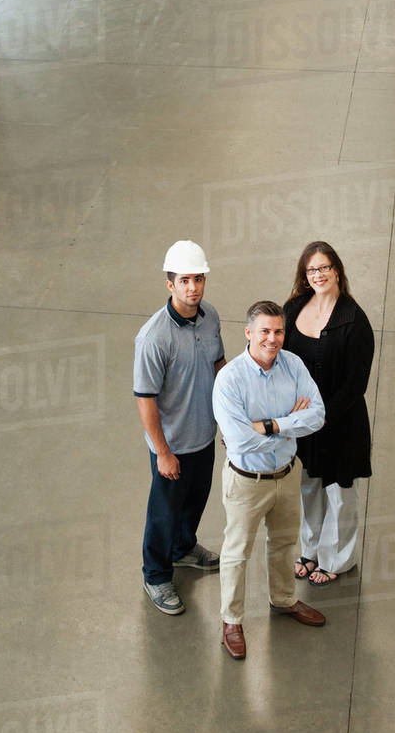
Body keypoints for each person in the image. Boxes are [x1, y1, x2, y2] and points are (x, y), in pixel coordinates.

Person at [212, 300, 327, 659]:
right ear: (248, 333)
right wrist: (290, 424)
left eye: (278, 331)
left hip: (287, 474)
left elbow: (318, 415)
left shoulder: (293, 365)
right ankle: (232, 621)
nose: (272, 339)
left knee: (283, 542)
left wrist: (270, 424)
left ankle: (283, 599)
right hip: (247, 481)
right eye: (264, 331)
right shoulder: (229, 380)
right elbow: (239, 441)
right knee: (237, 552)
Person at [134, 240, 226, 615]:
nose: (194, 288)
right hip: (172, 444)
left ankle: (184, 548)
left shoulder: (211, 316)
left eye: (199, 279)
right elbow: (146, 400)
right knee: (163, 513)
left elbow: (221, 367)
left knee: (196, 499)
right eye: (185, 280)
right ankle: (156, 575)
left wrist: (229, 419)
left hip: (203, 435)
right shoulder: (154, 338)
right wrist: (163, 452)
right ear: (169, 284)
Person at [283, 242, 375, 587]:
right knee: (308, 486)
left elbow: (356, 385)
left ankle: (337, 557)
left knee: (339, 491)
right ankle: (310, 551)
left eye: (324, 268)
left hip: (340, 421)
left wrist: (321, 415)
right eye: (312, 270)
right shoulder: (293, 309)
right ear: (304, 276)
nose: (319, 275)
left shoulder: (355, 320)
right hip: (303, 420)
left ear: (337, 270)